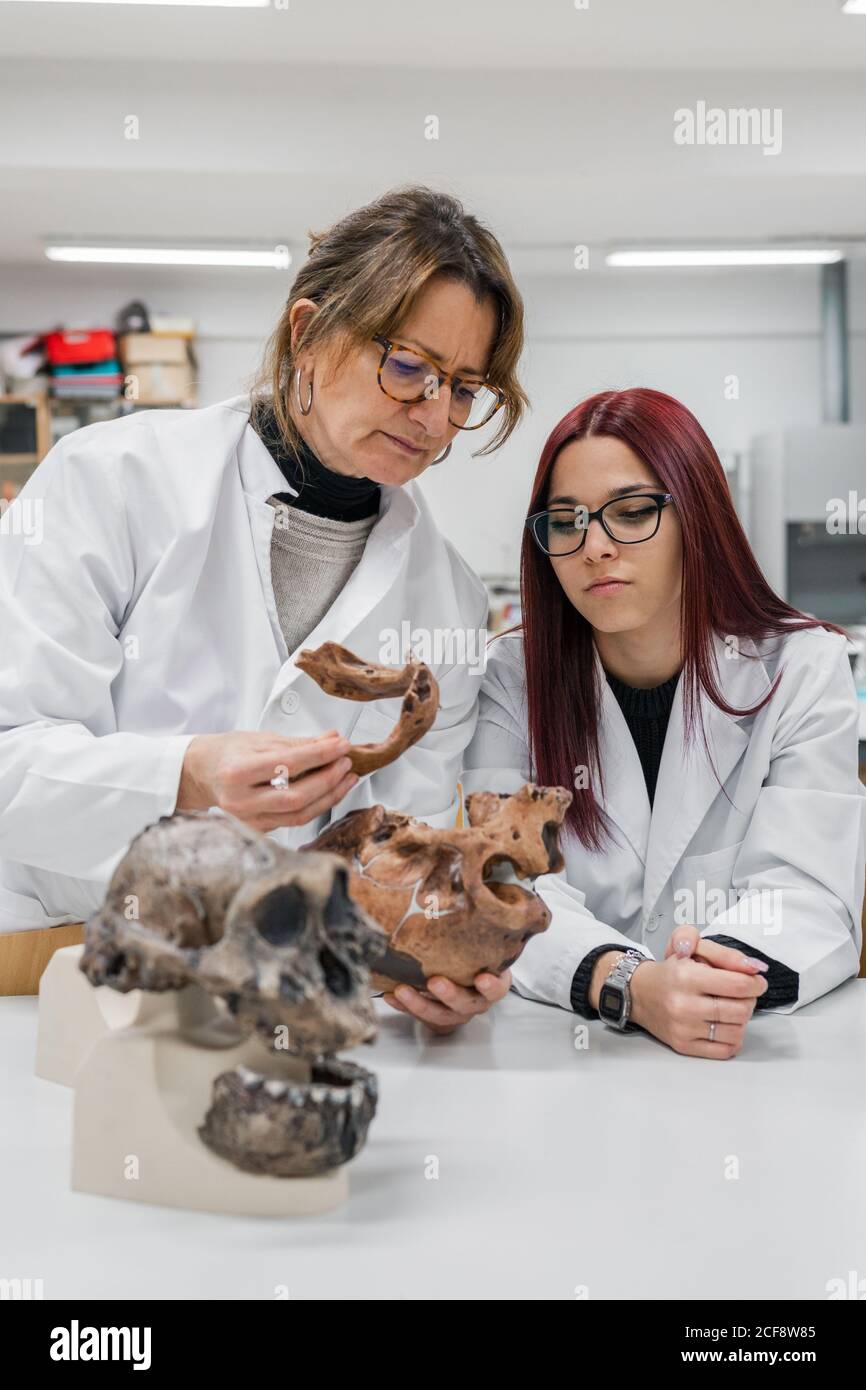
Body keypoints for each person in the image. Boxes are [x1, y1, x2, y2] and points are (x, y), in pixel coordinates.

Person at [0, 185, 521, 1029]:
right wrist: (185, 777)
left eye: (465, 388)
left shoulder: (449, 601)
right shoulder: (111, 482)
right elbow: (8, 764)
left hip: (299, 1007)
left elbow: (406, 848)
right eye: (408, 368)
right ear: (307, 333)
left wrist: (427, 956)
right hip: (67, 978)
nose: (434, 416)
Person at [463, 387, 866, 1059]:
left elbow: (808, 894)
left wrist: (700, 985)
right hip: (566, 1053)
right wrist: (628, 984)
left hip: (751, 1058)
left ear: (697, 517)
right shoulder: (511, 677)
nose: (593, 547)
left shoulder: (800, 667)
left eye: (630, 512)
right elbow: (508, 885)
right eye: (566, 521)